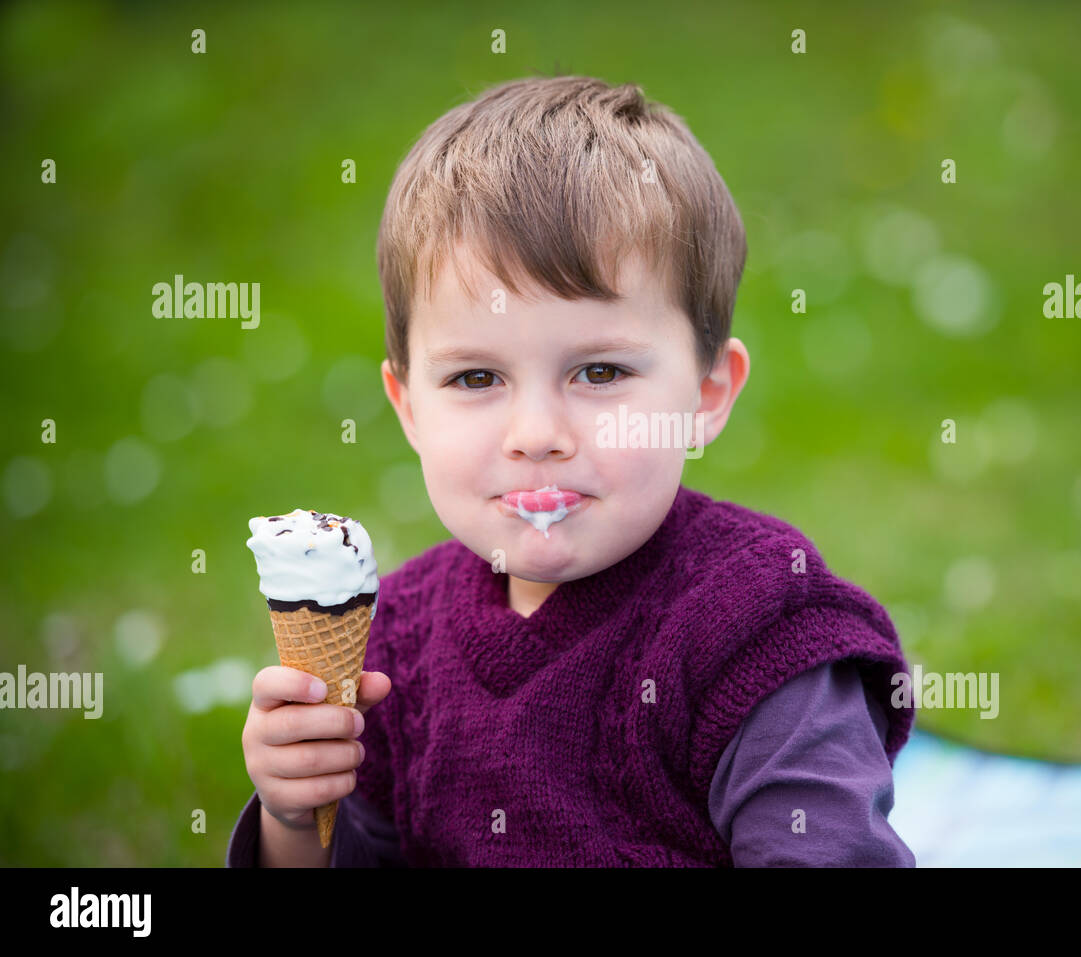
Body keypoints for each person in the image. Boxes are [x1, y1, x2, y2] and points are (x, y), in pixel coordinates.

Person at [229, 75, 915, 867]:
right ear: (408, 405)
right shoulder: (396, 644)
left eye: (598, 373)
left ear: (705, 393)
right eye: (476, 379)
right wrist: (293, 814)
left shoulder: (758, 623)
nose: (538, 434)